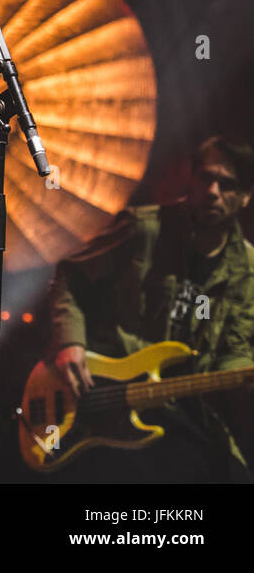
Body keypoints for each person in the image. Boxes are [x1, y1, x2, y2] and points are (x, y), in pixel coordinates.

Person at [46, 134, 254, 482]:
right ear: (193, 178)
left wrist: (244, 374)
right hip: (103, 395)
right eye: (206, 178)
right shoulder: (144, 228)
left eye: (228, 184)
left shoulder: (247, 269)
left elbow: (233, 351)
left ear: (246, 196)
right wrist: (70, 343)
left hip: (183, 408)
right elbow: (71, 274)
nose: (213, 191)